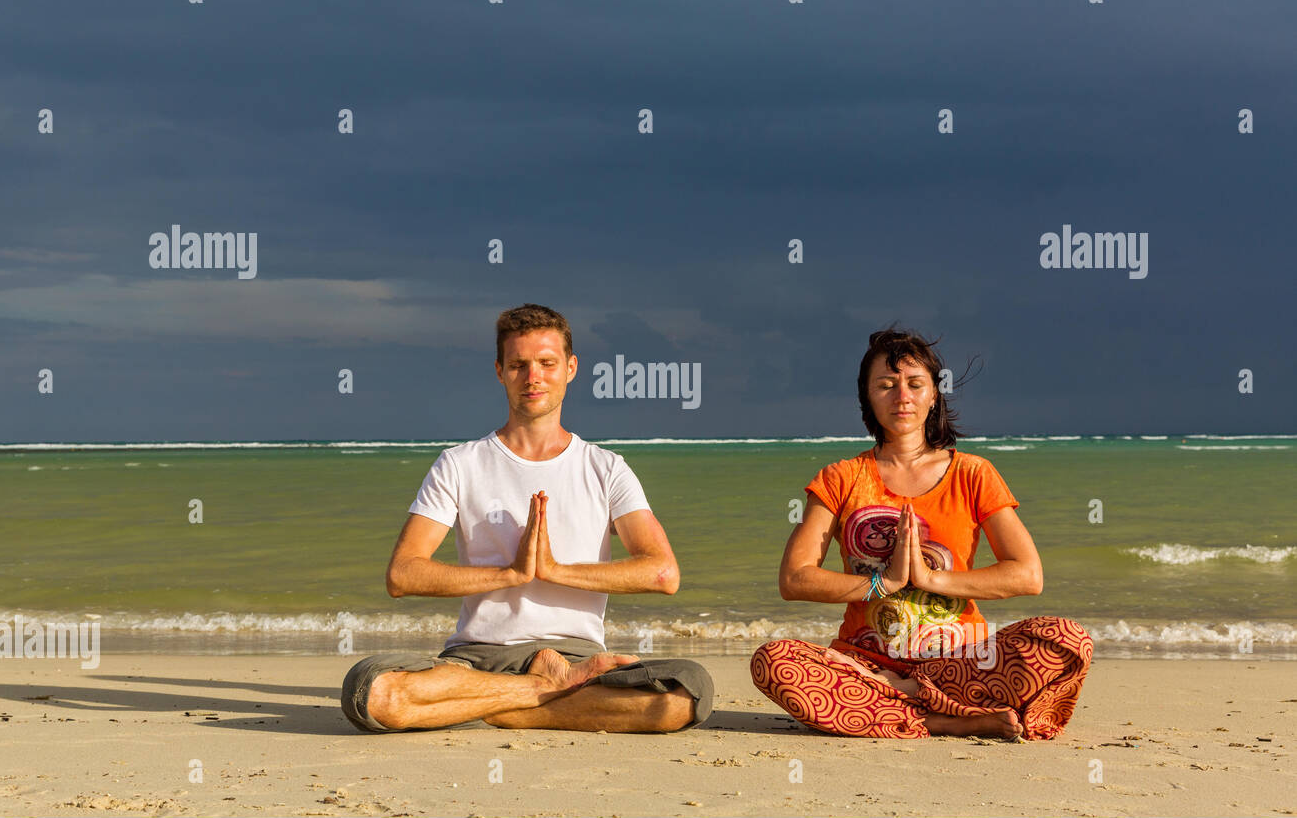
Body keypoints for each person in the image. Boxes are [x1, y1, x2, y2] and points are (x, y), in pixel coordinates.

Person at [341, 304, 713, 733]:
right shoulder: (459, 464)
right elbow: (403, 575)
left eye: (546, 363)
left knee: (685, 693)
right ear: (500, 371)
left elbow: (663, 572)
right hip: (477, 657)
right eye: (518, 365)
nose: (532, 376)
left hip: (575, 655)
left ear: (571, 368)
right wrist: (512, 573)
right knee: (370, 690)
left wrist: (554, 571)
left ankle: (481, 706)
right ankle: (544, 695)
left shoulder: (606, 468)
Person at [750, 328, 1092, 740]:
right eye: (886, 385)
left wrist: (932, 580)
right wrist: (883, 584)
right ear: (867, 396)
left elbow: (1027, 575)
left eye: (915, 384)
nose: (902, 397)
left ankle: (903, 703)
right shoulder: (840, 478)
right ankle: (946, 721)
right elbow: (794, 579)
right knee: (774, 660)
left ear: (934, 395)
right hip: (867, 664)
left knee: (1066, 640)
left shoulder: (973, 473)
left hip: (962, 663)